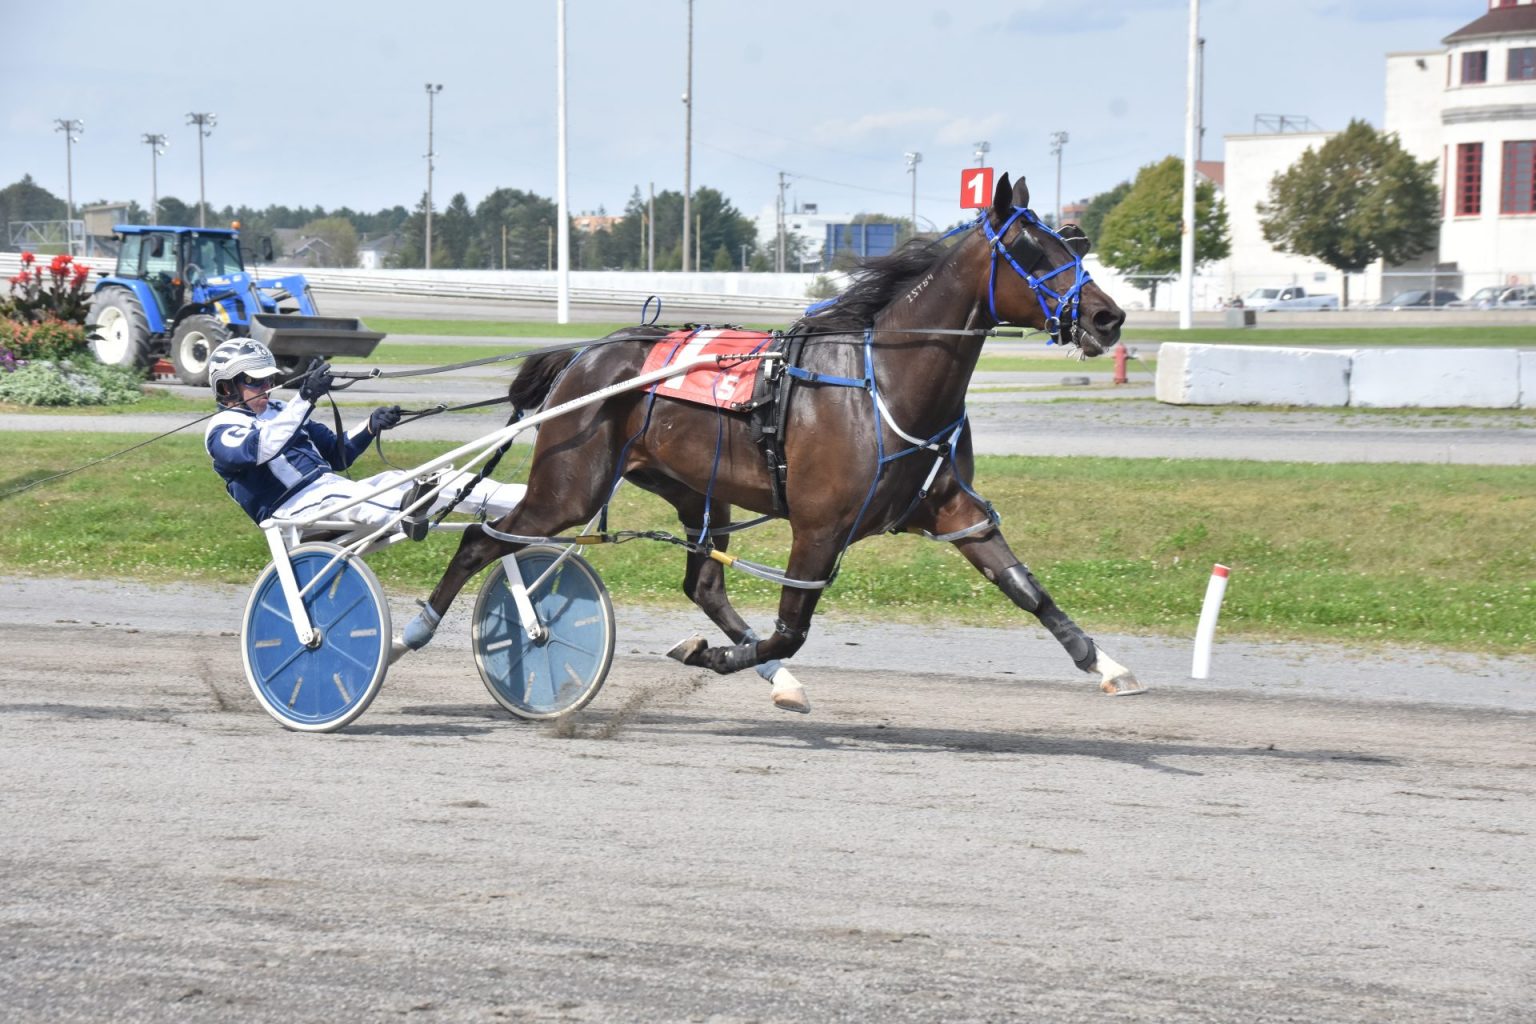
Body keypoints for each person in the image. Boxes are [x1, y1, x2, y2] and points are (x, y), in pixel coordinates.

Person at [204, 338, 524, 531]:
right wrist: (304, 398)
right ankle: (410, 510)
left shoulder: (280, 411)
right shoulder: (221, 430)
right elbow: (259, 449)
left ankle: (526, 503)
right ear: (226, 386)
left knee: (423, 479)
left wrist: (371, 425)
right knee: (367, 498)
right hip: (293, 509)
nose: (266, 387)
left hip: (332, 492)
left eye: (268, 379)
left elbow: (337, 454)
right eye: (255, 381)